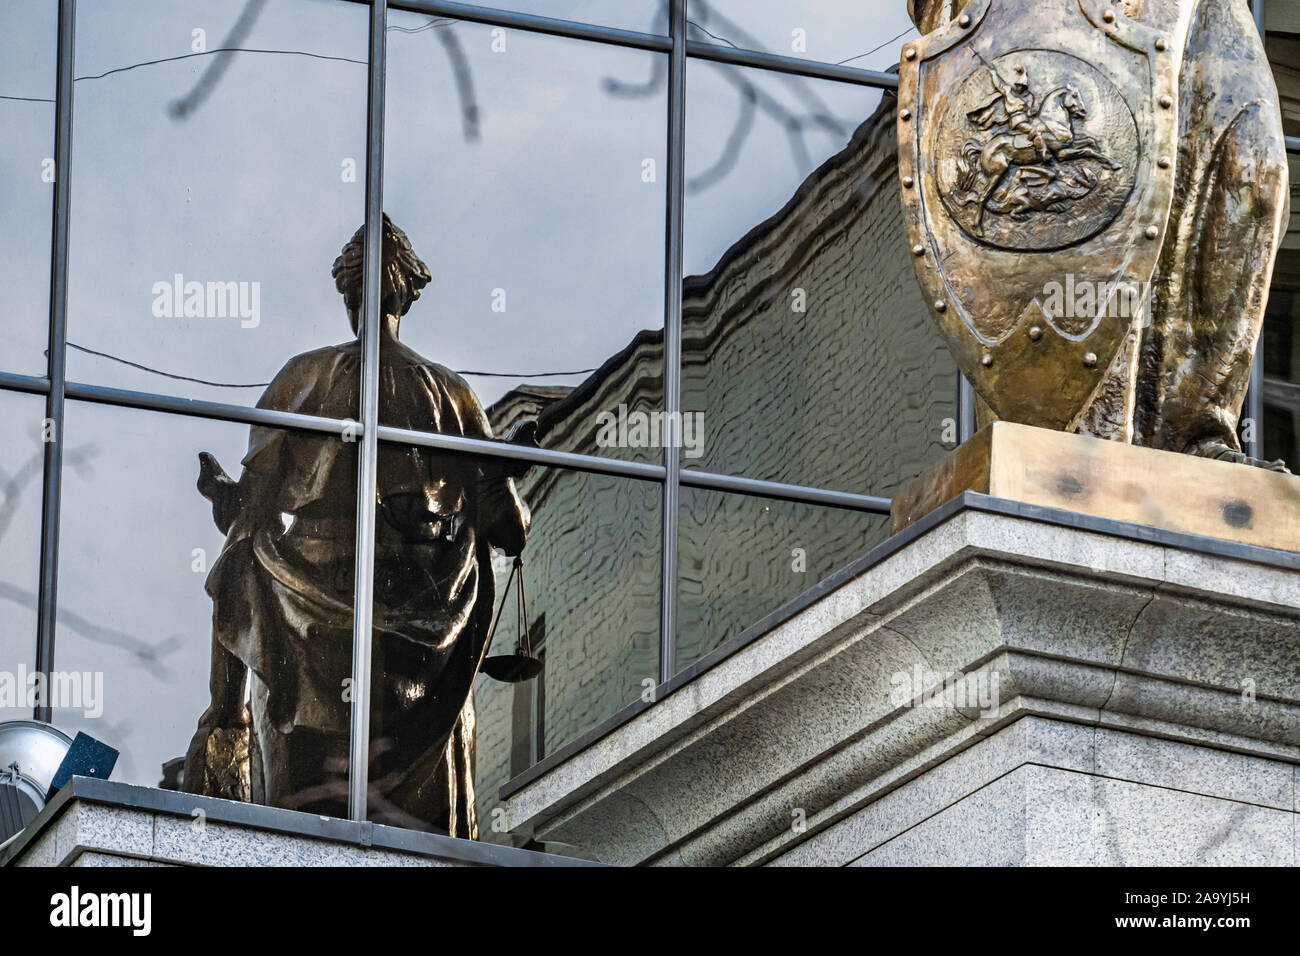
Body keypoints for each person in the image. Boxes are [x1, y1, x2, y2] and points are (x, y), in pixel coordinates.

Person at [181, 215, 530, 837]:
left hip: (305, 619)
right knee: (429, 842)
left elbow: (252, 510)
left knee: (240, 567)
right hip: (425, 631)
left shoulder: (302, 377)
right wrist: (519, 466)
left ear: (350, 294)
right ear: (406, 295)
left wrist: (223, 497)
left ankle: (222, 715)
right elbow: (507, 528)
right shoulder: (452, 394)